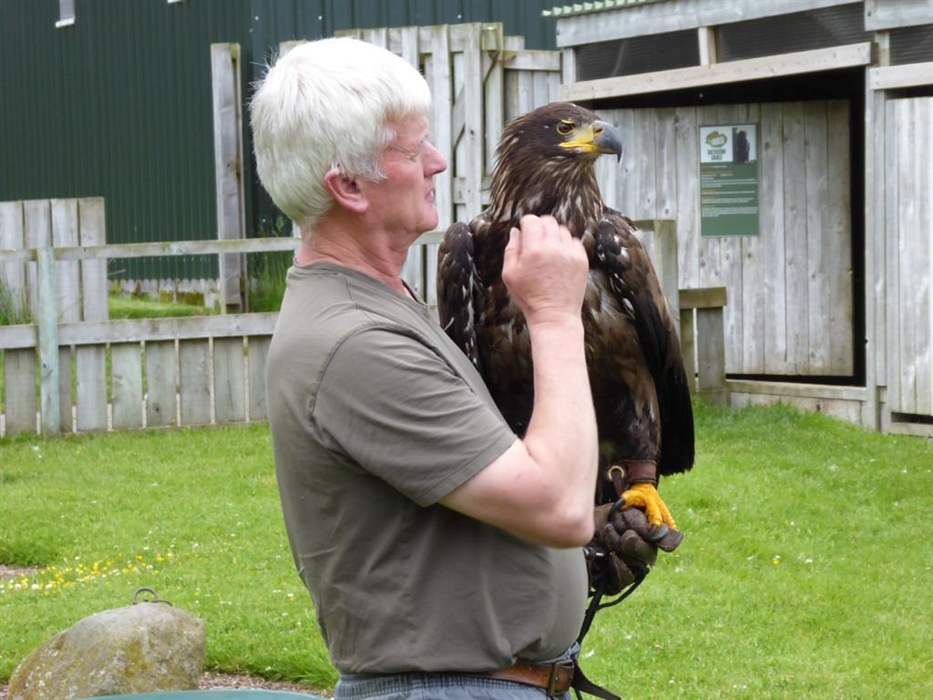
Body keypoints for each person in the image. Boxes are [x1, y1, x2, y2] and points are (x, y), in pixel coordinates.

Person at [251, 36, 599, 700]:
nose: (438, 162)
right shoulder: (354, 343)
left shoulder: (383, 305)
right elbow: (556, 507)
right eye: (413, 152)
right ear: (348, 186)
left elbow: (477, 485)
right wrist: (554, 313)